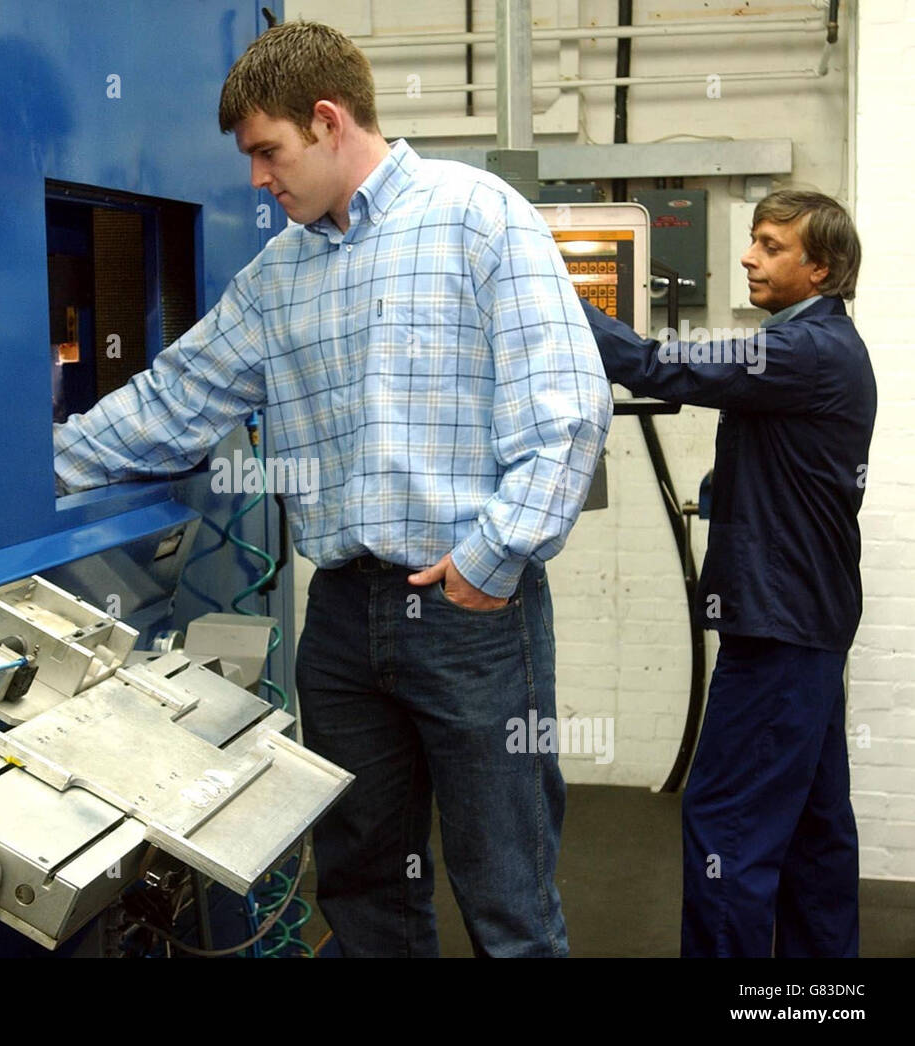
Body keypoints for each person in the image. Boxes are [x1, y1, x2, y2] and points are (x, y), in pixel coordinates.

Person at [55, 20, 612, 957]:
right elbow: (173, 400)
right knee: (359, 883)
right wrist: (35, 463)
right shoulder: (279, 276)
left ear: (328, 120)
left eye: (269, 152)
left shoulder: (476, 215)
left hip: (471, 612)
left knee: (506, 891)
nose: (258, 180)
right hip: (346, 620)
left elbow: (567, 412)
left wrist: (492, 555)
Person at [580, 190, 875, 957]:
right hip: (806, 625)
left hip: (777, 630)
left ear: (822, 269)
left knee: (727, 826)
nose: (747, 256)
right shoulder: (820, 350)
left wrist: (558, 299)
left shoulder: (800, 352)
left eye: (771, 245)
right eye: (754, 240)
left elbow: (654, 364)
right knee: (814, 831)